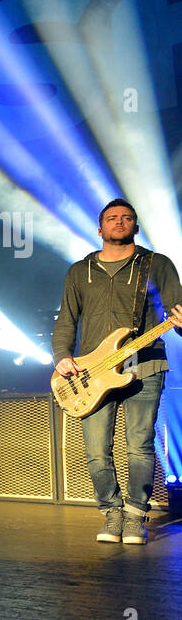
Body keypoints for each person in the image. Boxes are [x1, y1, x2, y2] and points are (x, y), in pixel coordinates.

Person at [53, 198, 182, 544]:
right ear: (100, 229)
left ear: (136, 227)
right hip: (92, 372)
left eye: (127, 218)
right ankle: (111, 513)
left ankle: (135, 515)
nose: (120, 222)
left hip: (146, 364)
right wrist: (62, 356)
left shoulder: (158, 265)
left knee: (140, 444)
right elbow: (66, 319)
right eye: (112, 218)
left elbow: (177, 312)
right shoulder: (80, 271)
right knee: (96, 449)